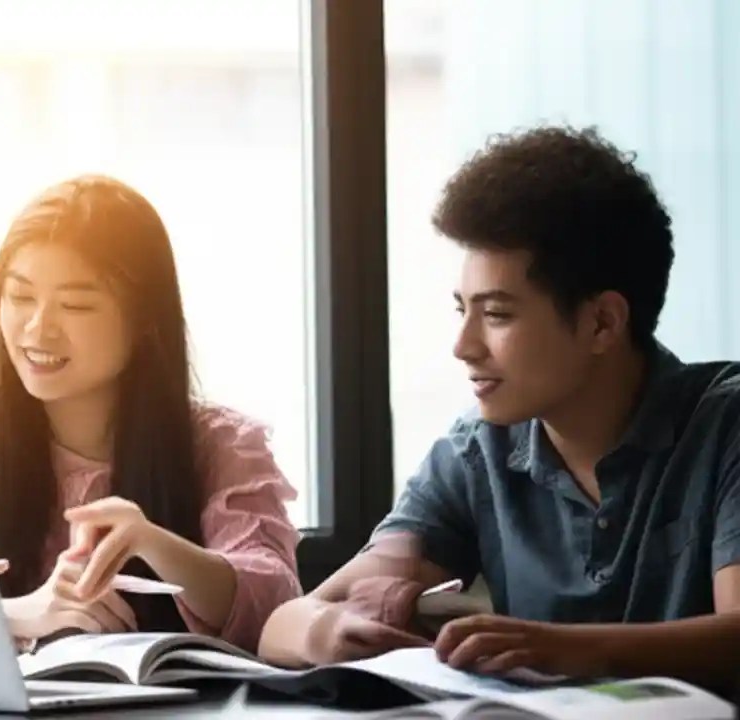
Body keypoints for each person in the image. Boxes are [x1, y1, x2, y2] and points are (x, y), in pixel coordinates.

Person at [258, 126, 740, 690]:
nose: (463, 346)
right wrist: (330, 631)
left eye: (498, 315)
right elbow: (283, 625)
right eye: (462, 310)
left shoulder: (724, 426)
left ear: (603, 322)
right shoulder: (476, 451)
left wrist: (557, 648)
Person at [0, 175, 301, 653]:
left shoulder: (223, 446)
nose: (38, 329)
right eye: (20, 298)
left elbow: (275, 602)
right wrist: (18, 613)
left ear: (145, 320)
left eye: (75, 305)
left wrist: (152, 543)